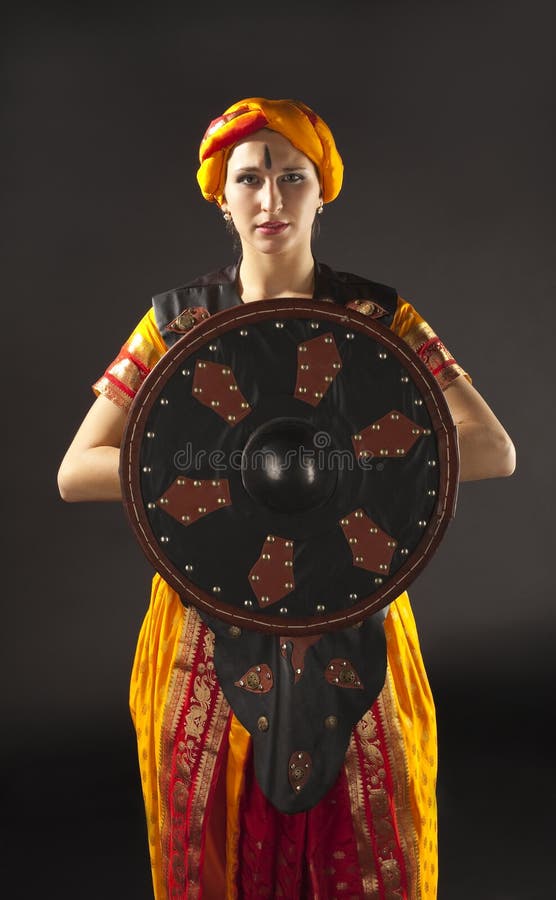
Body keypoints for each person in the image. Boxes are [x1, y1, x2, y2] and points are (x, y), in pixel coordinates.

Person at [58, 97, 515, 900]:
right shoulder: (177, 324)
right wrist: (237, 473)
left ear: (321, 191)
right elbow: (77, 468)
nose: (270, 200)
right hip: (208, 612)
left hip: (351, 600)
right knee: (210, 838)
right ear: (221, 196)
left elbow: (490, 449)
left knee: (375, 831)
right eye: (250, 179)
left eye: (290, 177)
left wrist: (335, 465)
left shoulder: (376, 317)